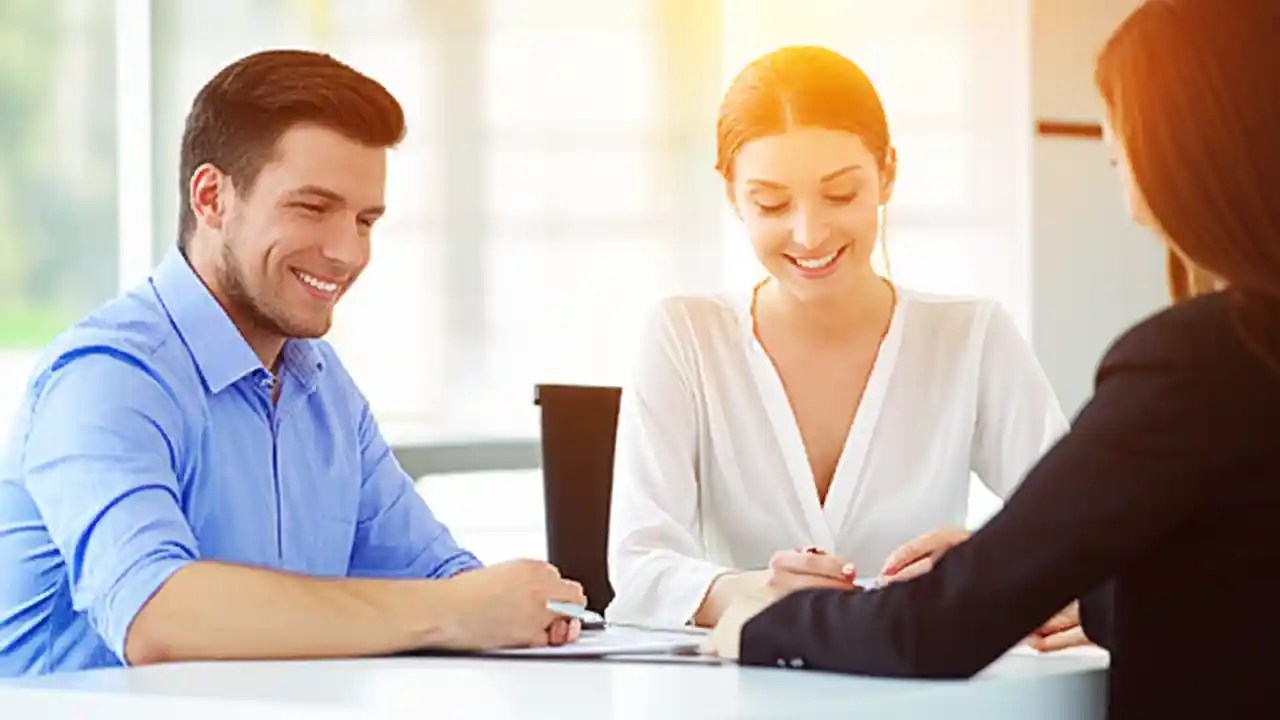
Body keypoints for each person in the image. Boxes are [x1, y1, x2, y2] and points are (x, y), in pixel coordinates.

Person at [704, 1, 1280, 717]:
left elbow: (939, 631)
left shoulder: (1195, 366)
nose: (1126, 191)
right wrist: (1008, 570)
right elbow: (1230, 582)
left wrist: (766, 621)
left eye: (1119, 152)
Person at [0, 49, 583, 677]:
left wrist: (526, 609)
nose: (346, 251)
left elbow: (437, 576)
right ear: (211, 198)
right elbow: (156, 615)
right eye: (311, 208)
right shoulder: (108, 377)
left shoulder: (321, 386)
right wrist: (452, 609)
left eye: (365, 220)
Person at [605, 45, 1071, 640]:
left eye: (840, 195)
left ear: (887, 175)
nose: (809, 233)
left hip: (921, 688)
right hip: (742, 690)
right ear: (732, 197)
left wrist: (997, 568)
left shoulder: (973, 337)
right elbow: (639, 568)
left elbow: (1080, 534)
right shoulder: (684, 336)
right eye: (771, 203)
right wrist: (752, 592)